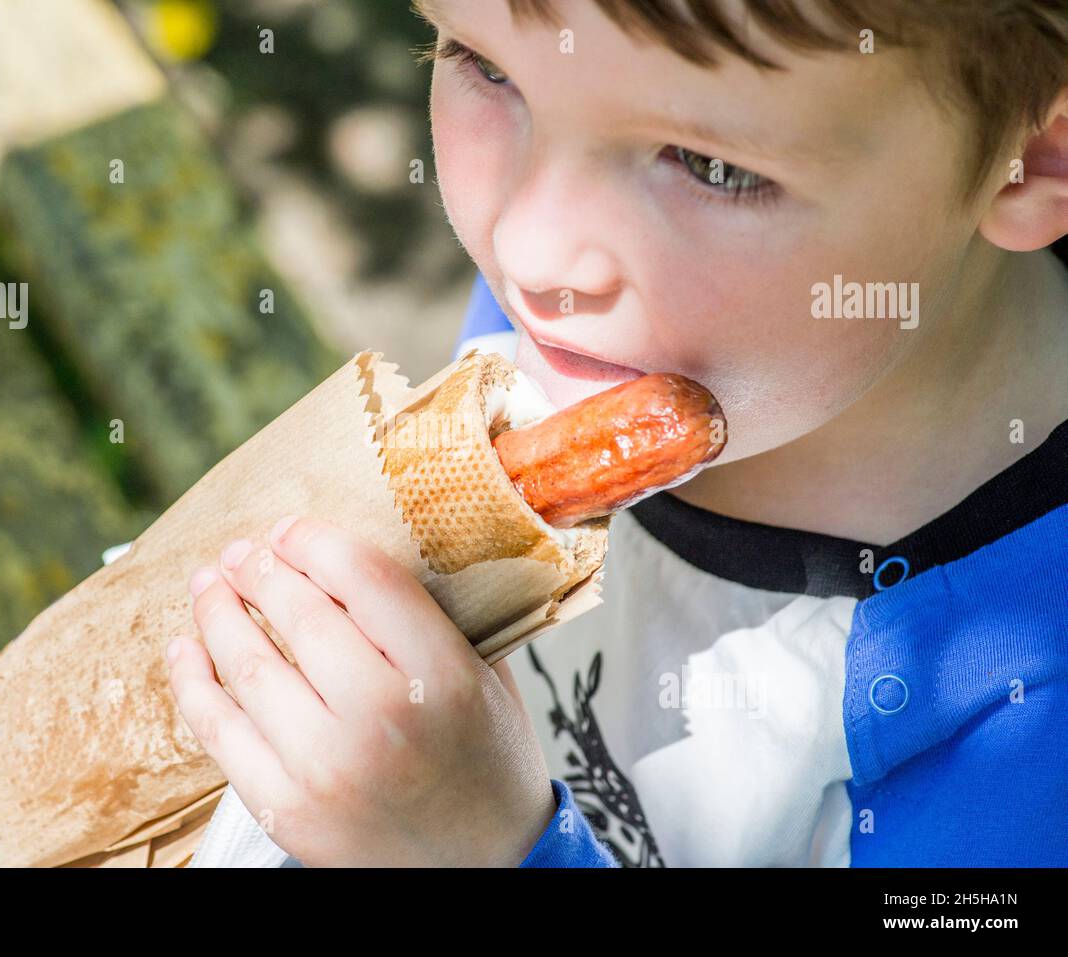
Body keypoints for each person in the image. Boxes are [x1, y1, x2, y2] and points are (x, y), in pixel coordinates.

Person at [166, 0, 1068, 866]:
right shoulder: (593, 326)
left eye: (709, 165)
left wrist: (480, 849)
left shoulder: (1023, 741)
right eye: (485, 65)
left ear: (1033, 157)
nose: (528, 251)